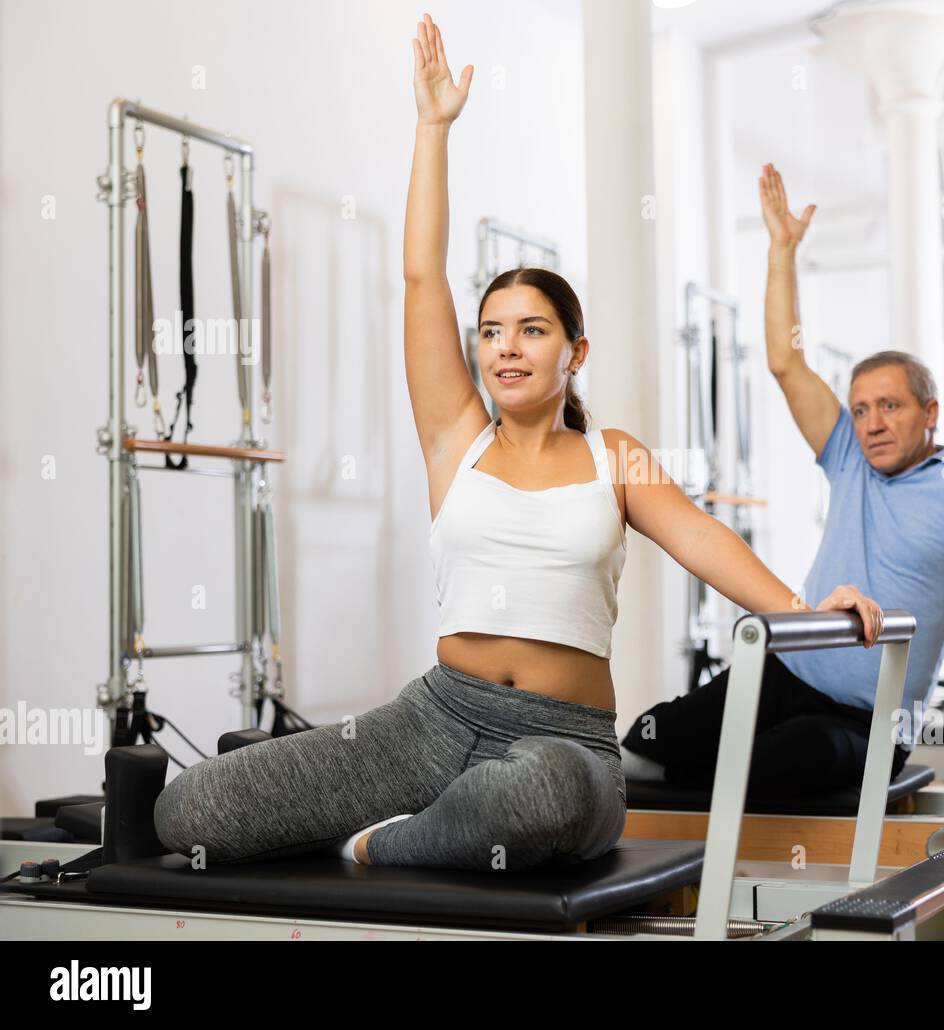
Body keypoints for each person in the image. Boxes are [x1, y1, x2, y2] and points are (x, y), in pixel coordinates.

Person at [152, 16, 885, 873]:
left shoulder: (616, 460)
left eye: (531, 330)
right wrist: (432, 128)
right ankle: (422, 821)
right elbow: (421, 274)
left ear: (574, 353)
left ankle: (382, 841)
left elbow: (708, 543)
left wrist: (812, 618)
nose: (505, 347)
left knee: (539, 799)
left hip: (563, 744)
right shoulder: (454, 439)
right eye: (493, 330)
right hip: (432, 719)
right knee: (191, 809)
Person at [618, 164, 944, 797]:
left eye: (890, 406)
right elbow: (785, 361)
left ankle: (701, 836)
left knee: (792, 755)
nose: (871, 423)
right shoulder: (849, 456)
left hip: (870, 720)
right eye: (860, 409)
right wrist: (782, 251)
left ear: (929, 413)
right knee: (651, 734)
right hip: (781, 675)